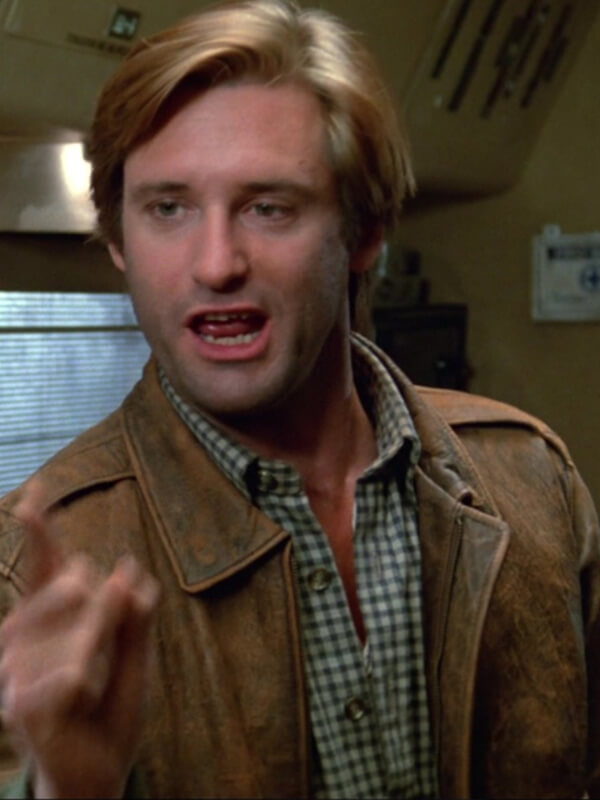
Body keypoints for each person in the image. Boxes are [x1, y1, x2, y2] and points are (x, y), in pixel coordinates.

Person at [0, 0, 598, 797]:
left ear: (365, 232)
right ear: (117, 239)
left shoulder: (533, 480)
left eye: (268, 207)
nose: (216, 263)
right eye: (168, 208)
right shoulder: (28, 576)